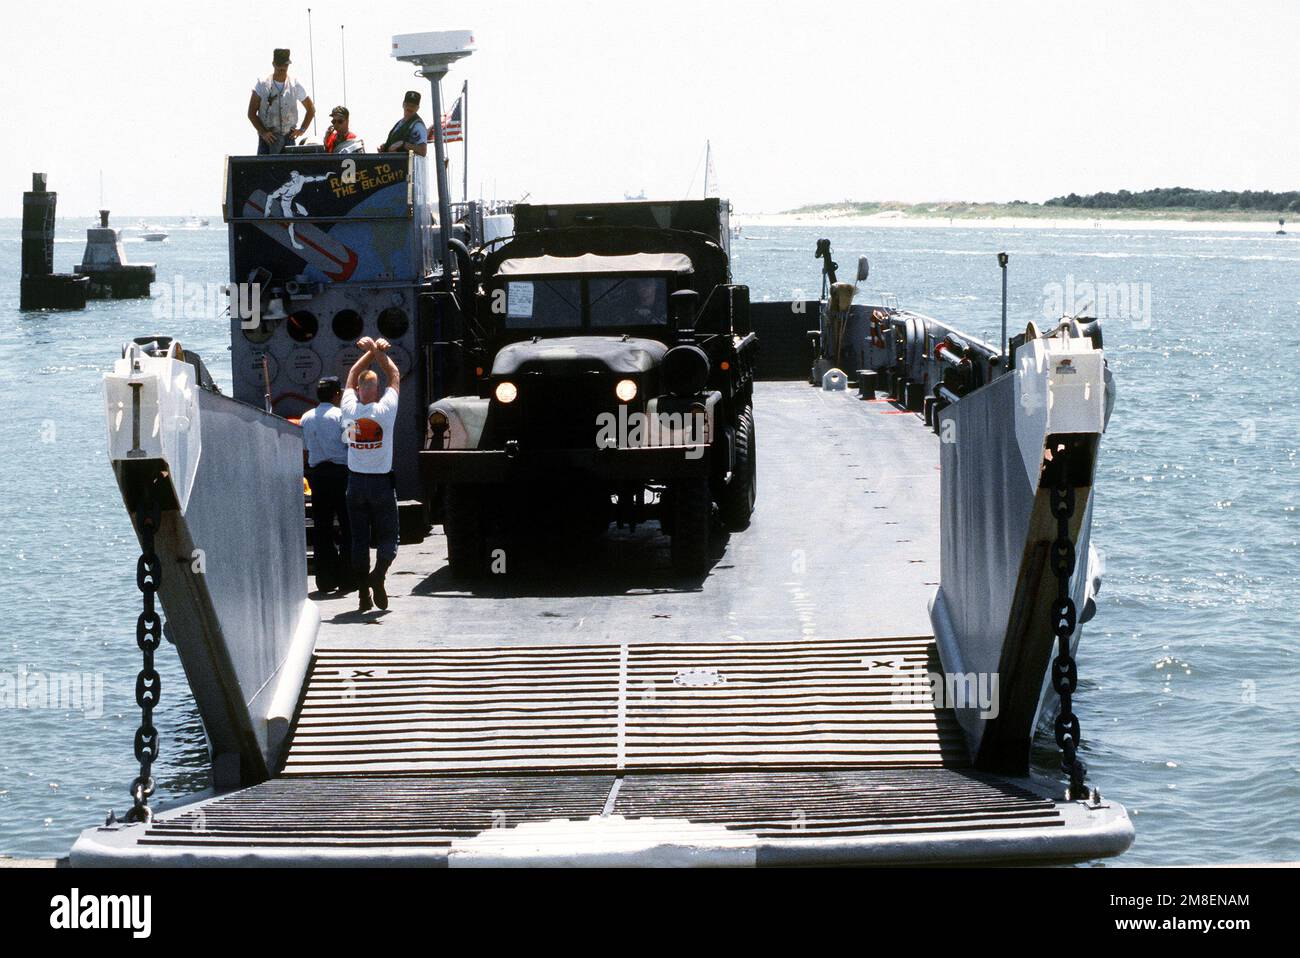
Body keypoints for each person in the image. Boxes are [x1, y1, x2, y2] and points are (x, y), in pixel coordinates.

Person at [341, 337, 402, 612]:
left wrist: (366, 353)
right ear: (376, 390)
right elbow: (395, 375)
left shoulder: (348, 409)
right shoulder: (385, 410)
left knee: (359, 540)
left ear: (357, 390)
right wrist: (379, 352)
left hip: (355, 484)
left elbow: (352, 374)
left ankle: (363, 593)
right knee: (389, 536)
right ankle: (379, 575)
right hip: (380, 483)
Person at [299, 377, 353, 595]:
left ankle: (325, 579)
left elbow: (304, 450)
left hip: (318, 475)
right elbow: (354, 441)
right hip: (341, 474)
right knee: (348, 526)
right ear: (336, 395)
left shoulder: (306, 418)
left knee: (322, 528)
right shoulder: (343, 415)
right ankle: (349, 578)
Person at [248, 48, 314, 155]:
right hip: (268, 139)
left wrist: (301, 130)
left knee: (289, 170)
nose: (282, 68)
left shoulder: (295, 84)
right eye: (279, 65)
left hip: (289, 137)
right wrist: (264, 133)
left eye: (285, 65)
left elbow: (310, 109)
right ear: (274, 64)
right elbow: (251, 113)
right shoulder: (262, 84)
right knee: (264, 169)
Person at [377, 91, 428, 156]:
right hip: (392, 163)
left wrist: (403, 144)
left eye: (412, 106)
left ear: (417, 108)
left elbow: (422, 151)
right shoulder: (399, 124)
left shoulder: (418, 126)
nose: (409, 108)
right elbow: (394, 145)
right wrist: (384, 148)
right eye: (407, 105)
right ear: (403, 104)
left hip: (406, 164)